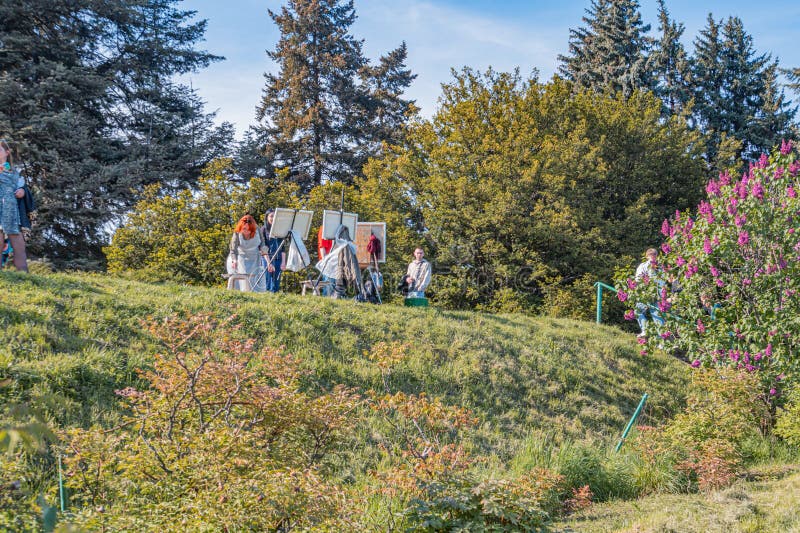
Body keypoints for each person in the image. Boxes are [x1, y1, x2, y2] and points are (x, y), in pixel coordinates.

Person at [0, 139, 28, 272]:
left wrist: (22, 191)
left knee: (19, 245)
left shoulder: (15, 172)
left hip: (10, 211)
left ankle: (24, 276)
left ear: (7, 152)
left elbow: (23, 188)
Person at [227, 214, 265, 292]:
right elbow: (233, 249)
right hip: (241, 258)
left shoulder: (257, 230)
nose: (246, 231)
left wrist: (265, 254)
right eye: (244, 229)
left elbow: (262, 244)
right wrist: (234, 260)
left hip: (255, 258)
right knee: (242, 281)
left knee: (254, 279)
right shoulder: (237, 232)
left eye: (249, 230)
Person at [634, 248, 665, 337]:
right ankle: (645, 330)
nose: (653, 256)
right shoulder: (643, 266)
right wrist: (643, 290)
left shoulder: (660, 266)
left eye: (654, 254)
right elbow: (638, 279)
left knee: (656, 316)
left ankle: (661, 339)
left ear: (656, 255)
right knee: (638, 311)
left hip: (657, 294)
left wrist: (661, 293)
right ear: (647, 256)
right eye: (651, 254)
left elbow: (662, 281)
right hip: (645, 293)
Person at [260, 209, 286, 293]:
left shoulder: (280, 230)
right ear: (267, 217)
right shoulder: (263, 230)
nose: (273, 218)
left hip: (278, 259)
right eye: (271, 216)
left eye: (275, 216)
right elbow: (263, 247)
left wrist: (283, 262)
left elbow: (283, 248)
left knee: (276, 284)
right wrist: (268, 262)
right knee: (267, 282)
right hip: (267, 258)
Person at [316, 225, 334, 295]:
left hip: (334, 260)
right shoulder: (324, 228)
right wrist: (325, 262)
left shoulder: (335, 228)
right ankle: (327, 298)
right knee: (328, 283)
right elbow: (322, 246)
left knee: (333, 284)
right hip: (327, 261)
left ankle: (333, 298)